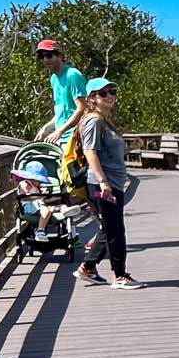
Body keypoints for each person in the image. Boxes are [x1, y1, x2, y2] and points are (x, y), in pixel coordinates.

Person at [72, 78, 141, 290]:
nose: (109, 96)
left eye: (112, 91)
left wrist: (130, 148)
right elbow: (90, 152)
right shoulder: (93, 121)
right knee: (115, 231)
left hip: (112, 182)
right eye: (103, 93)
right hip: (103, 183)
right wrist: (103, 182)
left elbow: (109, 154)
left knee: (108, 228)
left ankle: (88, 268)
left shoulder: (104, 120)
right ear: (92, 98)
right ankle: (119, 275)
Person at [34, 40, 87, 146]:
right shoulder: (54, 79)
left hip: (75, 137)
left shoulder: (72, 75)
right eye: (41, 57)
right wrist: (47, 128)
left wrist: (60, 131)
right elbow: (62, 111)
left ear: (60, 55)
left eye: (49, 55)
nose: (45, 60)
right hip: (60, 139)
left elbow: (82, 108)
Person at [12, 159, 57, 242]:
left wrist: (49, 198)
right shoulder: (25, 184)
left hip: (37, 205)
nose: (40, 183)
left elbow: (41, 200)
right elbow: (24, 197)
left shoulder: (36, 187)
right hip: (28, 206)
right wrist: (39, 196)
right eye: (39, 181)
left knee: (57, 207)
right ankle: (40, 231)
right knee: (46, 210)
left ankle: (67, 213)